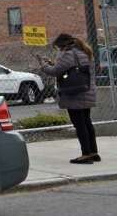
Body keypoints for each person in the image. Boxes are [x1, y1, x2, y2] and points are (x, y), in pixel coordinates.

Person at [41, 33, 99, 164]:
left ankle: (86, 155)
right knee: (87, 122)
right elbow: (69, 68)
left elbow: (55, 71)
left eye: (57, 47)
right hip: (87, 90)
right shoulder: (84, 51)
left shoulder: (67, 53)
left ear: (62, 45)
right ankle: (94, 152)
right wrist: (54, 64)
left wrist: (44, 65)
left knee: (79, 124)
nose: (57, 50)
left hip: (75, 93)